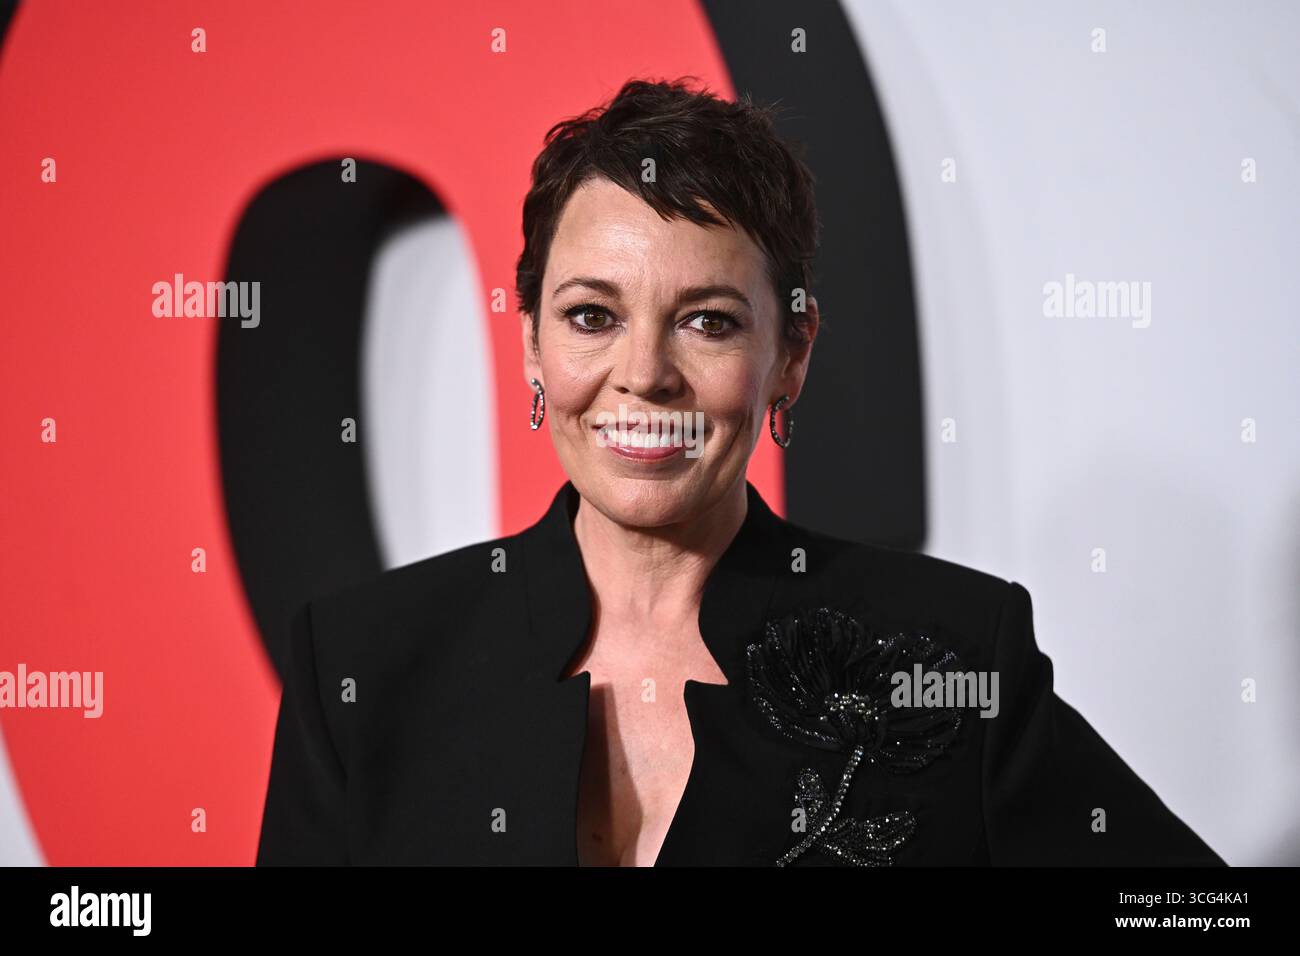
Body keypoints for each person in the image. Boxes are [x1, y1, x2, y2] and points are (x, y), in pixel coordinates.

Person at [256, 77, 1224, 866]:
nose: (642, 372)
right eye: (592, 315)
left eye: (707, 320)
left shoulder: (947, 652)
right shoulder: (362, 662)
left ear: (789, 355)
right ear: (531, 349)